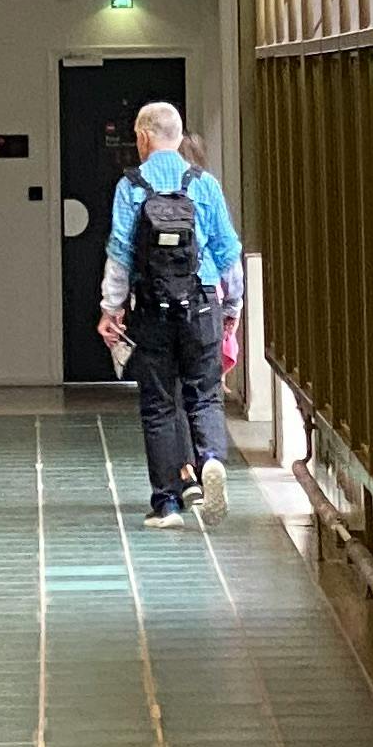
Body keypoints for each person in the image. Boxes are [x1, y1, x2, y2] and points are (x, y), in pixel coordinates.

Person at [95, 101, 245, 528]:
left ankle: (167, 504)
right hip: (202, 302)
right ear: (178, 137)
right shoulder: (204, 184)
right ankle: (210, 459)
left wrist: (110, 309)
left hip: (152, 307)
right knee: (205, 394)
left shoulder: (131, 187)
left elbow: (120, 254)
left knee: (159, 403)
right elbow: (228, 252)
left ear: (143, 137)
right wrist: (232, 306)